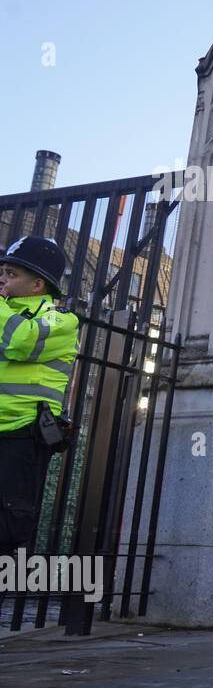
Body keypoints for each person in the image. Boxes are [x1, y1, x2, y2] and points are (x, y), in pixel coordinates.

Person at [0, 237, 78, 557]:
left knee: (5, 531)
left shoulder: (62, 322)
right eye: (2, 271)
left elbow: (22, 340)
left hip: (21, 436)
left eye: (11, 274)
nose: (2, 278)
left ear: (37, 285)